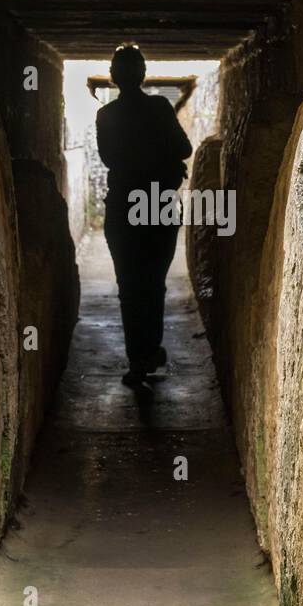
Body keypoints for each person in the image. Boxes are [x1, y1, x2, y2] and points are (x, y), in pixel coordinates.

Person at [96, 44, 193, 387]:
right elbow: (185, 148)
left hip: (123, 205)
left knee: (130, 284)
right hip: (158, 203)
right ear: (142, 74)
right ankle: (149, 350)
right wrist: (159, 157)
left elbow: (110, 159)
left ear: (113, 76)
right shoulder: (159, 107)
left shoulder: (106, 116)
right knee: (153, 282)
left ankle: (140, 358)